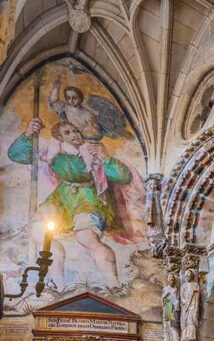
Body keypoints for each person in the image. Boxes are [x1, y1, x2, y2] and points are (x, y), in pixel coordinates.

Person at [8, 118, 134, 287]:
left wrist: (105, 157)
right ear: (60, 138)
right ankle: (59, 286)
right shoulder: (54, 153)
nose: (74, 134)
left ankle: (114, 286)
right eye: (67, 132)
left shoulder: (92, 152)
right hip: (63, 197)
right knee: (38, 229)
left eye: (76, 131)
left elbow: (124, 176)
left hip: (88, 197)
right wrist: (28, 133)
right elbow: (16, 155)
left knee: (86, 237)